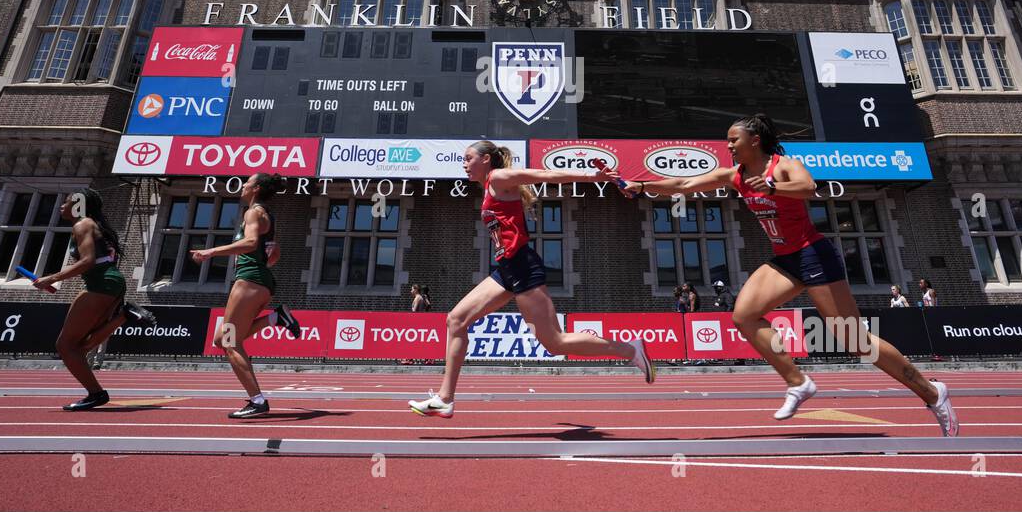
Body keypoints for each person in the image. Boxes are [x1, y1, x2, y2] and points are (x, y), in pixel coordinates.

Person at [615, 113, 958, 435]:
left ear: (755, 140)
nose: (729, 146)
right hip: (785, 259)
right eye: (728, 141)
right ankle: (798, 382)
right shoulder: (734, 175)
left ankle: (931, 391)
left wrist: (772, 189)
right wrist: (642, 186)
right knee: (744, 316)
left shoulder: (784, 167)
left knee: (856, 341)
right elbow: (683, 183)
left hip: (814, 255)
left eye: (734, 140)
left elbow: (809, 188)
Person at [408, 142, 654, 418]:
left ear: (486, 159)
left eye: (468, 159)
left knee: (555, 343)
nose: (463, 164)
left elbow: (546, 176)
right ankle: (445, 398)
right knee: (455, 320)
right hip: (506, 270)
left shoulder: (499, 178)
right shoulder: (491, 185)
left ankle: (629, 349)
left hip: (523, 267)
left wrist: (592, 177)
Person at [32, 188, 156, 411]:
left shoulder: (83, 225)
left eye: (67, 201)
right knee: (78, 348)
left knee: (65, 345)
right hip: (105, 283)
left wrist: (51, 278)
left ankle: (96, 393)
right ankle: (123, 316)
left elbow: (88, 261)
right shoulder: (90, 225)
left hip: (102, 284)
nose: (62, 205)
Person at [191, 173, 301, 418]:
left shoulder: (253, 213)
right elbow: (272, 256)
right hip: (259, 281)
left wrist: (211, 252)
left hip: (249, 281)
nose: (242, 185)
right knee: (222, 339)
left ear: (256, 188)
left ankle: (257, 400)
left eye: (247, 182)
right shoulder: (265, 215)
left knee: (230, 342)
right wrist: (273, 252)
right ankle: (276, 319)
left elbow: (251, 243)